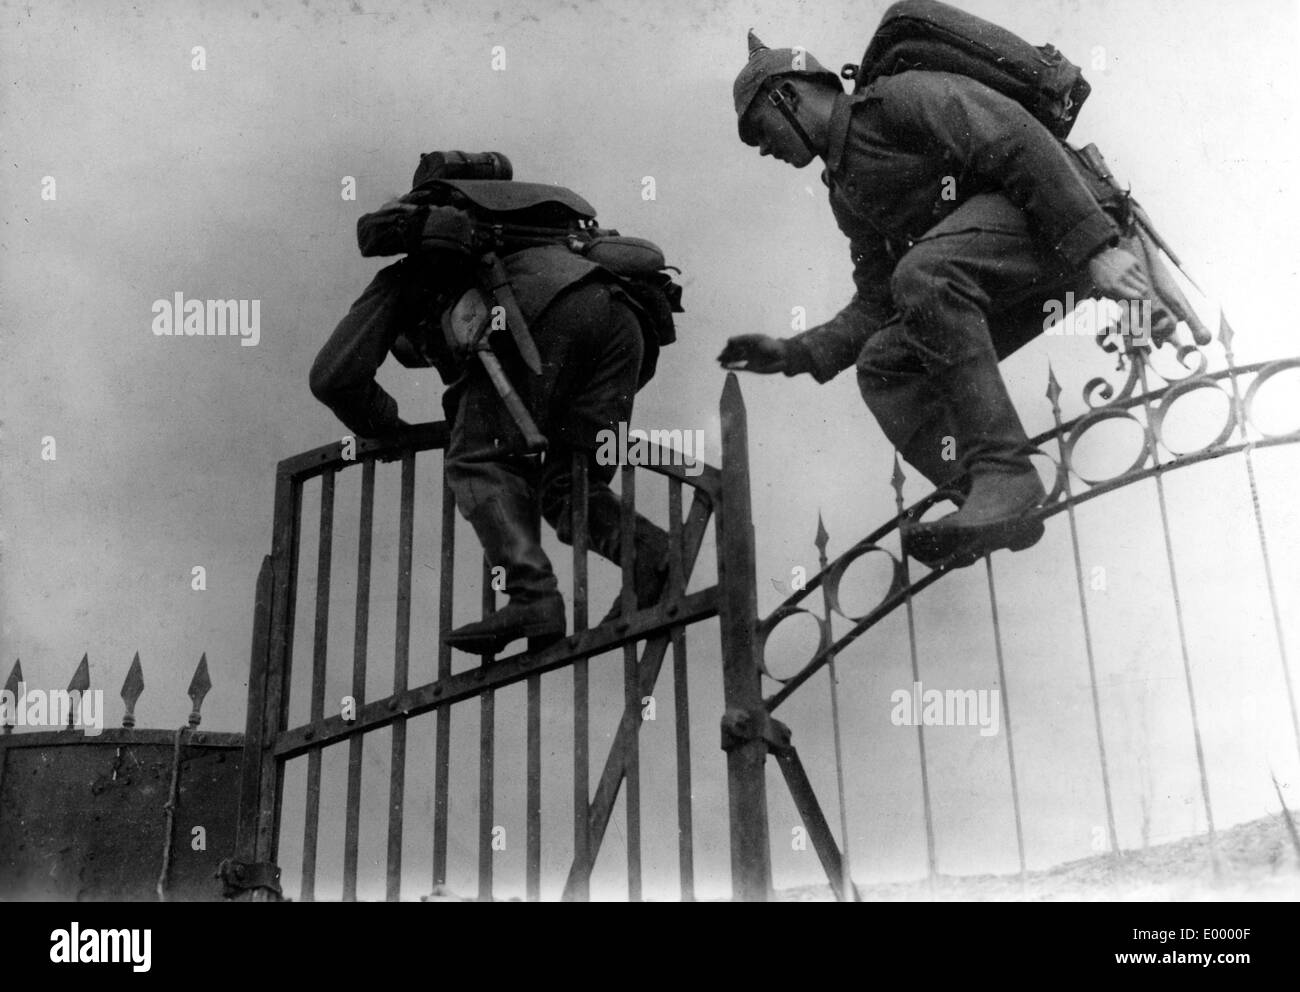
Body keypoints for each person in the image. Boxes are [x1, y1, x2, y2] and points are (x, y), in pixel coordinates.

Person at [718, 32, 1155, 566]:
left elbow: (1017, 139)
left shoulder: (897, 100)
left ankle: (1006, 473)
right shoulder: (845, 191)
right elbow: (880, 300)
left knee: (924, 273)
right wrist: (797, 352)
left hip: (1067, 216)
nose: (764, 149)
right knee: (886, 363)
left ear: (787, 94)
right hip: (1013, 265)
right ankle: (988, 502)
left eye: (758, 131)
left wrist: (1095, 246)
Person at [309, 157, 680, 653]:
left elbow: (334, 376)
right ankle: (649, 555)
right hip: (624, 320)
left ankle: (534, 600)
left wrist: (385, 426)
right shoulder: (542, 239)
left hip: (536, 319)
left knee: (476, 457)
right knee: (568, 484)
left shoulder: (413, 274)